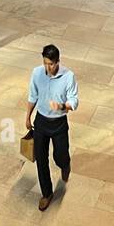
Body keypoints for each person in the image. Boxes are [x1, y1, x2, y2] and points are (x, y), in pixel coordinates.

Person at [25, 44, 79, 211]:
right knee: (41, 159)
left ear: (58, 61)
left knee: (60, 155)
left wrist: (62, 106)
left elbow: (74, 101)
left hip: (59, 123)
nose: (49, 67)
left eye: (52, 64)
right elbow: (33, 95)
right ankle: (46, 193)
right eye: (46, 63)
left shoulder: (68, 76)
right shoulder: (37, 73)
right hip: (41, 121)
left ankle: (65, 164)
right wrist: (28, 116)